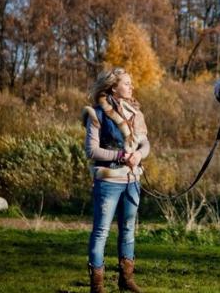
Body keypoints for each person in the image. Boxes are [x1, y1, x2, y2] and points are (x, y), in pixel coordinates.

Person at [82, 67, 150, 293]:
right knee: (101, 232)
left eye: (131, 83)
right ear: (113, 87)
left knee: (128, 229)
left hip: (132, 181)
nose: (132, 87)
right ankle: (97, 286)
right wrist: (121, 156)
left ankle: (126, 279)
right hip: (108, 182)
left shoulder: (135, 113)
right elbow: (91, 151)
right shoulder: (96, 114)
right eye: (127, 83)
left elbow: (145, 144)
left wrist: (139, 155)